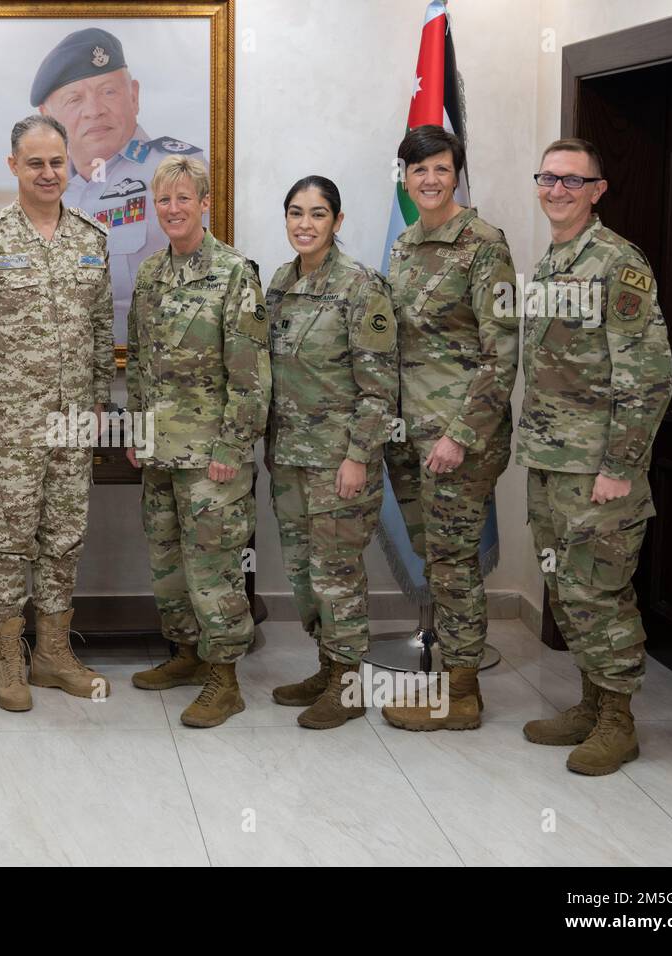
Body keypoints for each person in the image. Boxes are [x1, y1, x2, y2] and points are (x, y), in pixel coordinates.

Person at [0, 115, 114, 712]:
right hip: (7, 424)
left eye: (57, 162)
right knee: (8, 542)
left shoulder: (91, 239)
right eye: (35, 162)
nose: (48, 173)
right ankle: (9, 659)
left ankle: (52, 654)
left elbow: (99, 330)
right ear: (13, 166)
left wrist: (98, 402)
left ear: (70, 165)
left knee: (64, 539)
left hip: (72, 424)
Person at [518, 138, 672, 774]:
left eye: (572, 181)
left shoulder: (617, 263)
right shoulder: (554, 262)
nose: (557, 190)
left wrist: (620, 468)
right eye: (548, 178)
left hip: (597, 472)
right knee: (566, 589)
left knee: (601, 593)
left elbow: (649, 377)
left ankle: (619, 721)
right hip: (551, 462)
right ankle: (589, 701)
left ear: (598, 190)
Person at [378, 125, 519, 732]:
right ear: (404, 177)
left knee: (454, 561)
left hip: (458, 439)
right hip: (408, 435)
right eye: (418, 170)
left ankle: (462, 694)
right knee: (436, 559)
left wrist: (459, 435)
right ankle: (449, 675)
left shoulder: (486, 244)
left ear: (456, 173)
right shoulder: (406, 243)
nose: (429, 179)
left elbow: (502, 351)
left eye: (440, 168)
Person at [126, 155, 271, 728]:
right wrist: (138, 432)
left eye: (184, 198)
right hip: (160, 452)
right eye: (164, 200)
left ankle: (224, 677)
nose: (173, 209)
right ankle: (185, 654)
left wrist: (232, 451)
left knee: (212, 567)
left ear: (205, 204)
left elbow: (251, 374)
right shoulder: (150, 275)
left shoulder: (235, 273)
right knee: (166, 563)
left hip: (212, 455)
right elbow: (138, 361)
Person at [265, 176, 399, 729]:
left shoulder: (362, 287)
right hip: (291, 457)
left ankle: (348, 683)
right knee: (302, 572)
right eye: (296, 212)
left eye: (318, 214)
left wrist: (359, 457)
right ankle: (327, 666)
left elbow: (380, 384)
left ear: (337, 222)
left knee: (337, 572)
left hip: (340, 461)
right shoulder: (280, 283)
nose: (305, 224)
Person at [33, 27, 206, 341]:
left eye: (109, 92)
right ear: (48, 118)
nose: (95, 110)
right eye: (74, 99)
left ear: (134, 96)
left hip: (161, 374)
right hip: (76, 376)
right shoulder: (46, 194)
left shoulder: (182, 172)